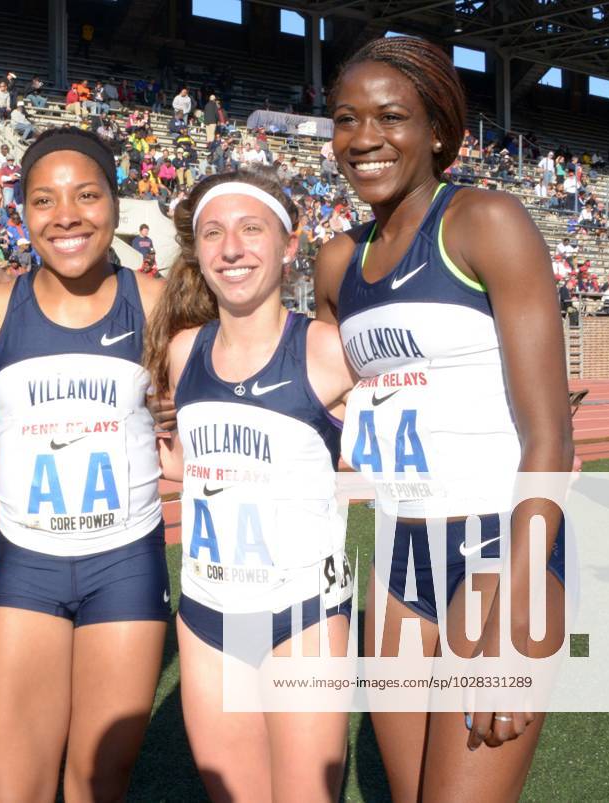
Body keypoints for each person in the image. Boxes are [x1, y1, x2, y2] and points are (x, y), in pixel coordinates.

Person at [314, 36, 571, 802]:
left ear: (438, 129)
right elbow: (329, 407)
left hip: (497, 554)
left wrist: (514, 609)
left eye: (390, 116)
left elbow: (551, 438)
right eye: (345, 118)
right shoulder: (337, 264)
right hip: (398, 556)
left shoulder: (484, 222)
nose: (364, 138)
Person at [0, 127, 169, 801]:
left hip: (125, 562)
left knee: (98, 781)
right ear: (22, 213)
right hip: (27, 565)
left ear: (115, 201)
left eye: (86, 195)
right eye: (44, 200)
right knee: (13, 787)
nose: (66, 215)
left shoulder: (156, 303)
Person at [144, 169, 355, 801]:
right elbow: (188, 463)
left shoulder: (331, 351)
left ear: (290, 245)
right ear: (198, 252)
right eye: (214, 233)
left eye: (250, 229)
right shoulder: (183, 352)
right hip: (209, 617)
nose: (231, 248)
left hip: (304, 616)